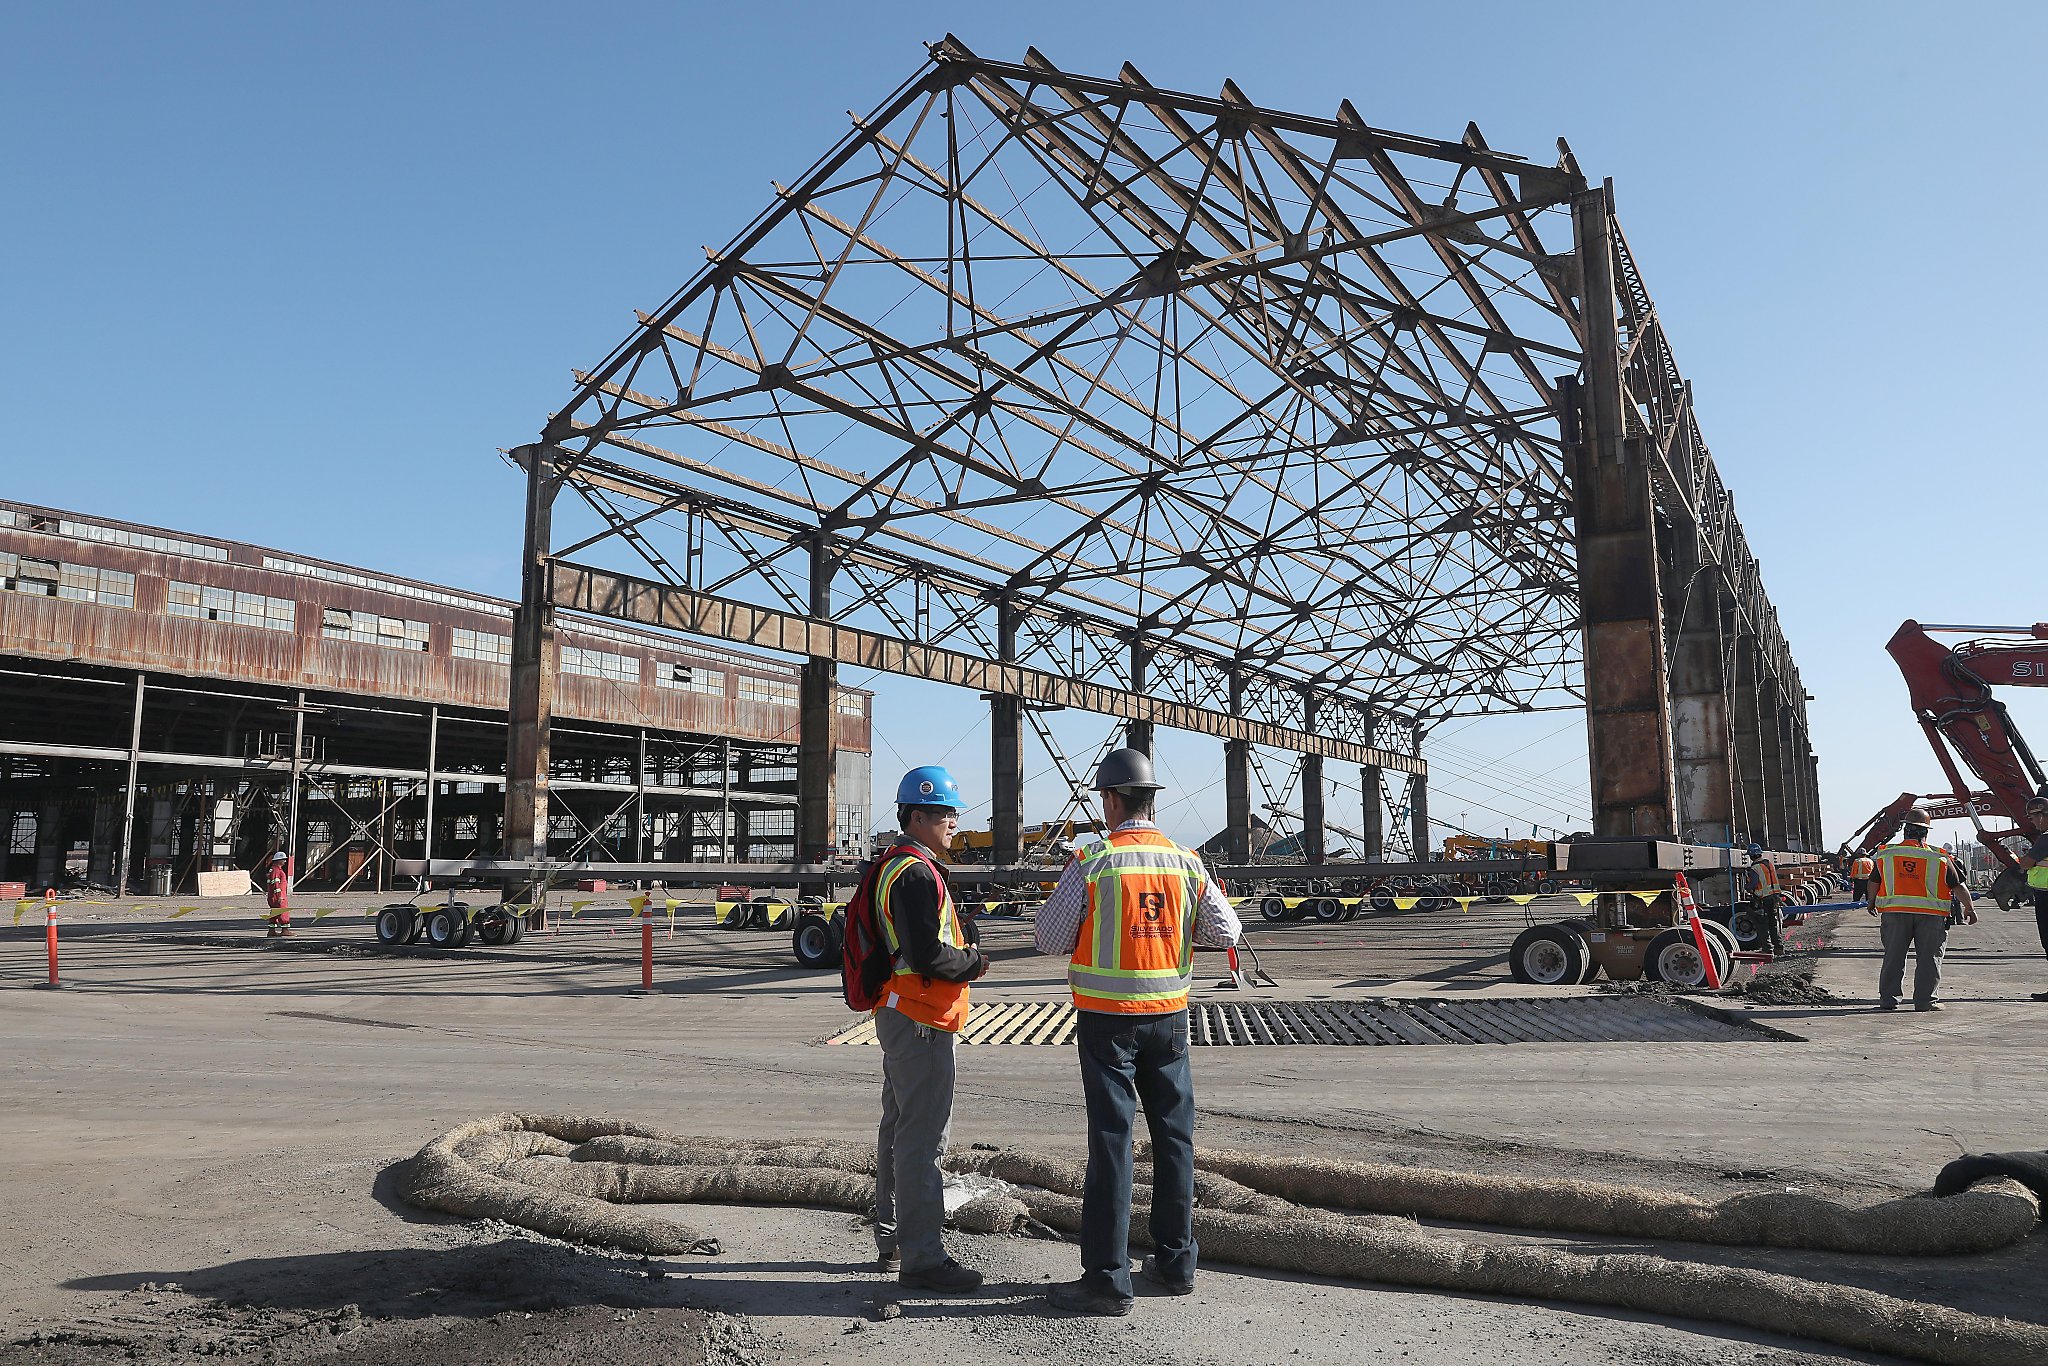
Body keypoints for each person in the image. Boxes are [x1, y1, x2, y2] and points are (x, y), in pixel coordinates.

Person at [1034, 747, 1242, 1316]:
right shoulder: (1185, 861)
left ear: (1111, 799)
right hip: (1170, 1019)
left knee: (1112, 1143)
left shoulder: (1094, 860)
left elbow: (1048, 938)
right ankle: (1176, 1264)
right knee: (1175, 1140)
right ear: (1152, 799)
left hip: (1108, 1021)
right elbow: (1226, 928)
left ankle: (1107, 1279)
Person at [870, 764, 990, 1294]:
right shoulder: (916, 873)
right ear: (916, 817)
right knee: (922, 1139)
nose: (951, 823)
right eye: (943, 815)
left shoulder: (894, 866)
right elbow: (926, 956)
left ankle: (894, 1237)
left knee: (898, 1130)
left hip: (902, 1014)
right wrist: (973, 962)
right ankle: (923, 1258)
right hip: (922, 1020)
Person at [1869, 807, 1975, 1011]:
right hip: (1931, 916)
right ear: (1926, 832)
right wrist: (1969, 908)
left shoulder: (1887, 854)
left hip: (1895, 913)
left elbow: (1874, 881)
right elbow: (1958, 886)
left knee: (1893, 957)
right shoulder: (1939, 857)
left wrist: (1871, 901)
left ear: (1904, 830)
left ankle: (1889, 1001)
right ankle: (1925, 1001)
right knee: (1929, 959)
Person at [2009, 794, 2048, 1002]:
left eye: (2032, 818)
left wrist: (2019, 859)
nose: (2031, 822)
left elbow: (2026, 864)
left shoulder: (2047, 838)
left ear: (2041, 815)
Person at [1743, 843, 1785, 956]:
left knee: (1761, 924)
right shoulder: (1769, 864)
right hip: (1774, 897)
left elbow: (1753, 884)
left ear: (1751, 856)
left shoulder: (1755, 868)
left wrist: (1746, 887)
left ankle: (1767, 949)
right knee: (1773, 923)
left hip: (1763, 899)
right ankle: (1778, 948)